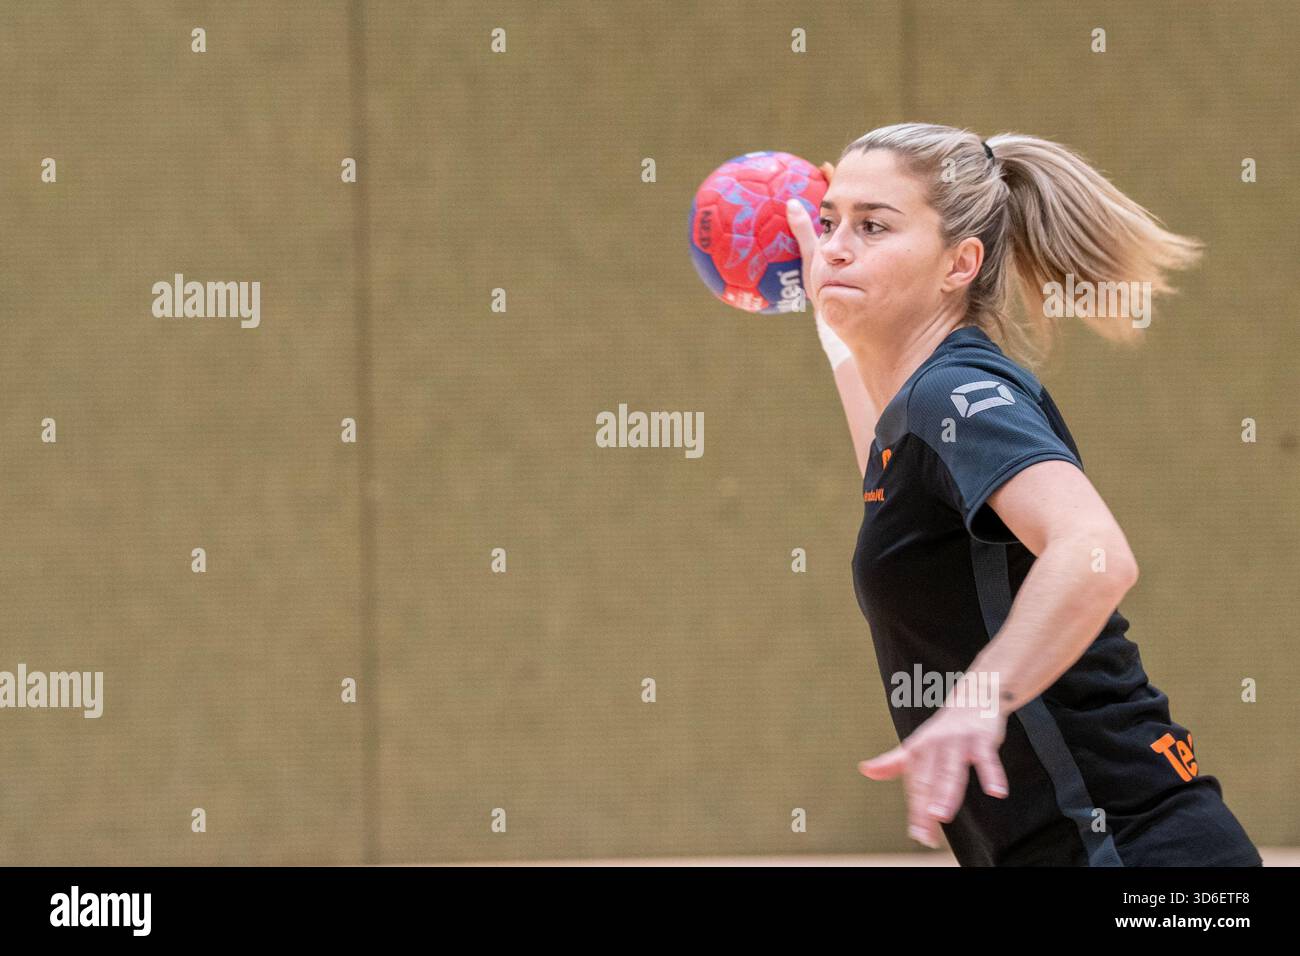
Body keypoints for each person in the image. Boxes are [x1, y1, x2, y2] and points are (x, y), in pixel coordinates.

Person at [785, 122, 1261, 866]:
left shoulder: (958, 392)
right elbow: (889, 473)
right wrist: (835, 316)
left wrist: (982, 696)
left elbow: (1096, 553)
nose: (838, 244)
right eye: (828, 221)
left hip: (1135, 854)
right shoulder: (916, 414)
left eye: (873, 225)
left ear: (960, 263)